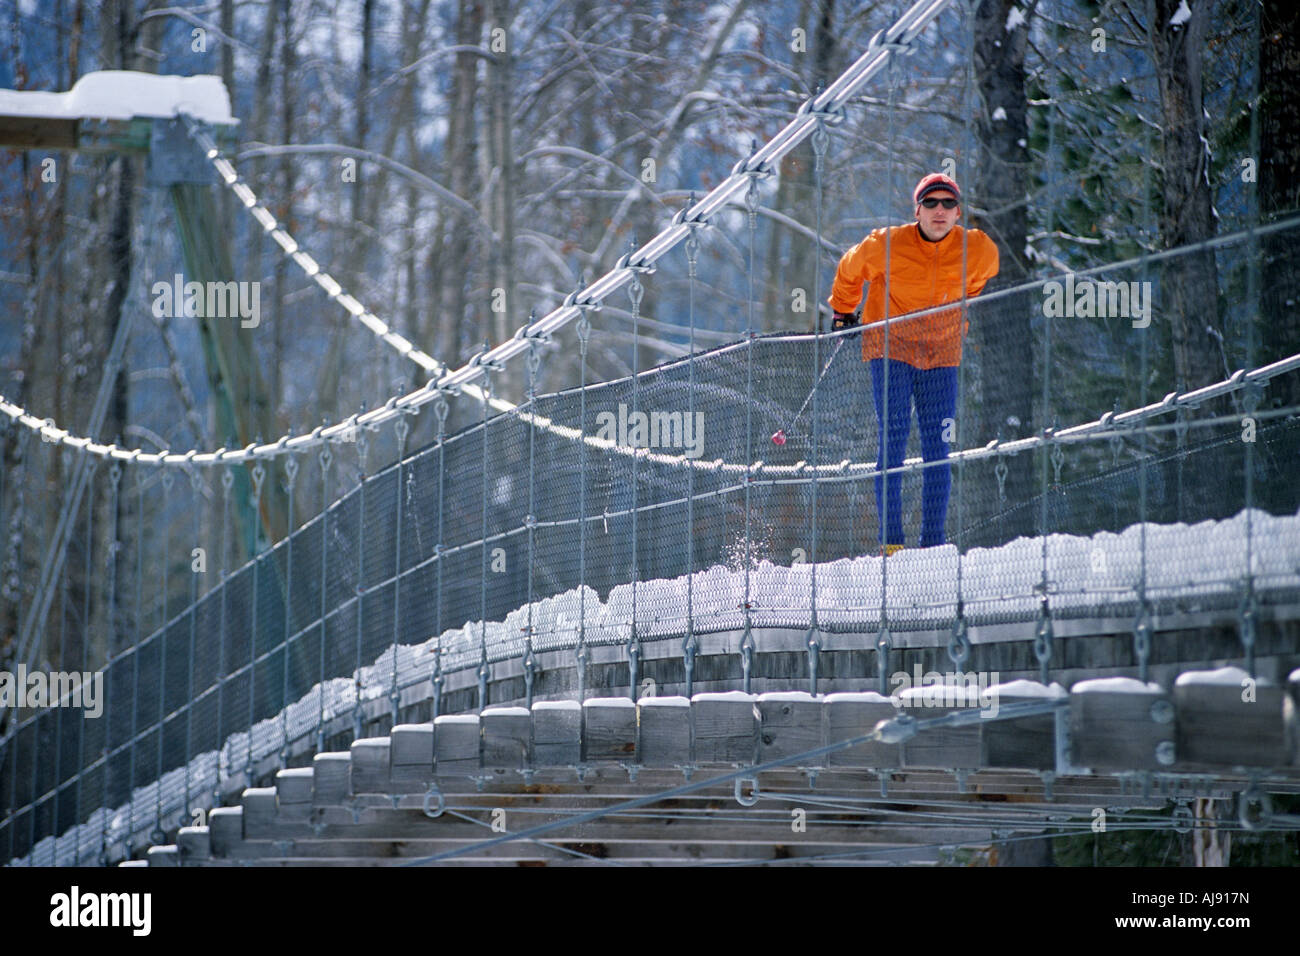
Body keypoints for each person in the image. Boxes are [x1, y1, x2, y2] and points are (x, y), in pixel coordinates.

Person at [827, 172, 999, 555]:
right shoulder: (885, 245)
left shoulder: (979, 250)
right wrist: (843, 311)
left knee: (939, 446)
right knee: (895, 436)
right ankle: (892, 545)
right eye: (932, 203)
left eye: (949, 204)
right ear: (917, 210)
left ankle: (933, 545)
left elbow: (977, 282)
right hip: (891, 345)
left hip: (942, 351)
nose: (940, 211)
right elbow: (849, 269)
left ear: (958, 213)